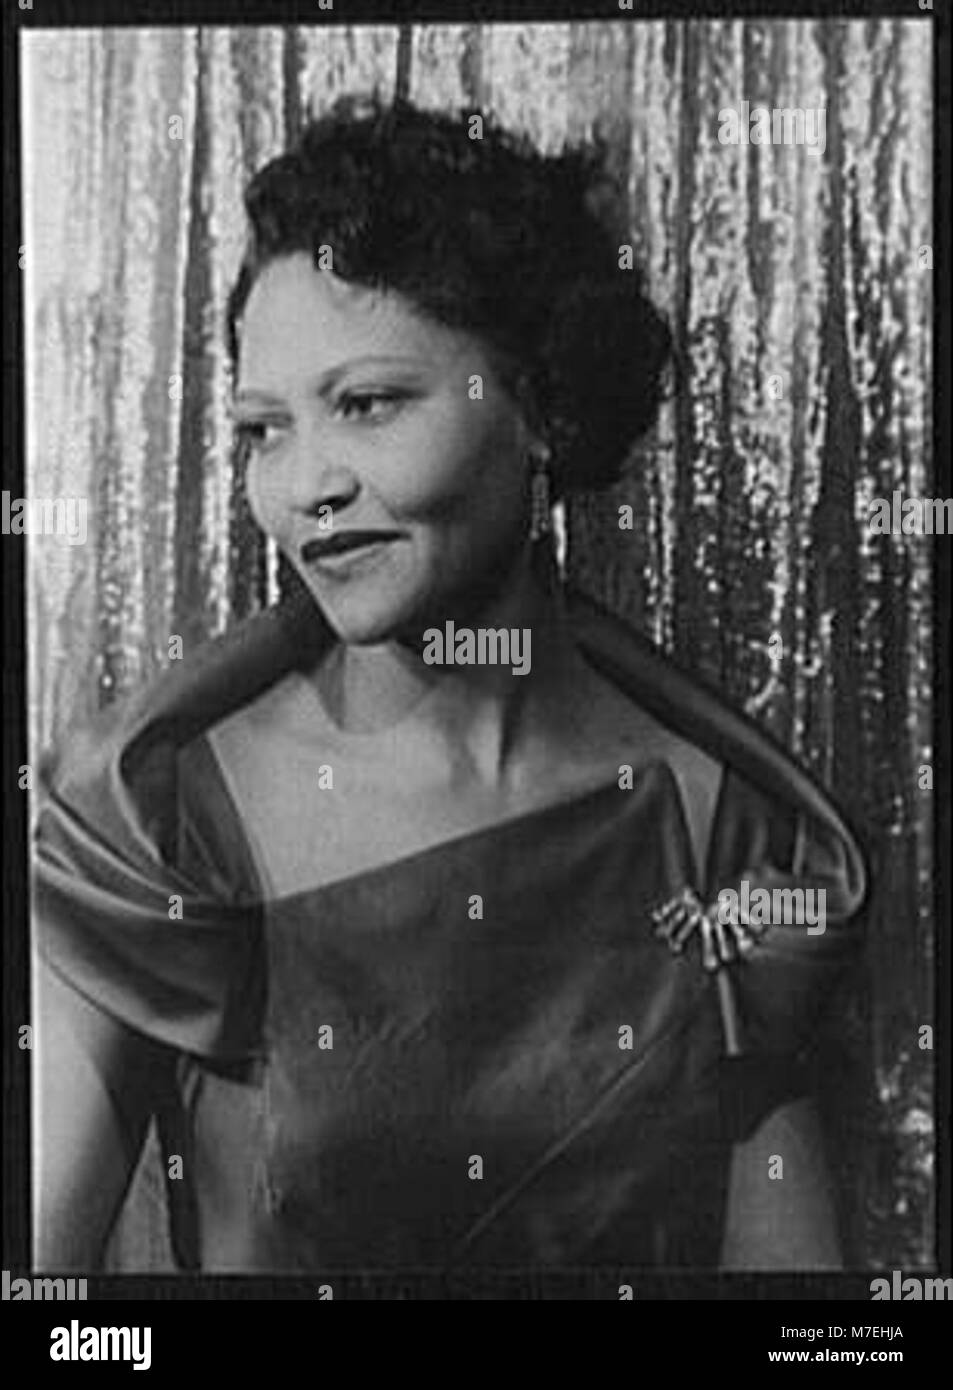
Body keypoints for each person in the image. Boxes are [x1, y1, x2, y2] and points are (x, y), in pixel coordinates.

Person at [33, 95, 867, 1282]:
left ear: (538, 406)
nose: (305, 484)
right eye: (263, 430)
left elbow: (806, 1322)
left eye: (366, 404)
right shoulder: (147, 819)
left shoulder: (718, 822)